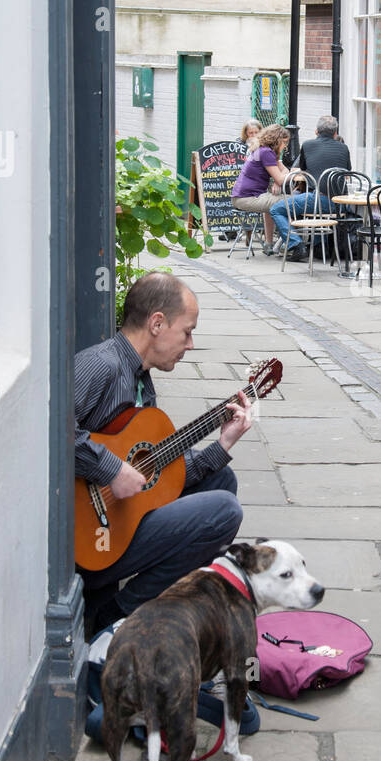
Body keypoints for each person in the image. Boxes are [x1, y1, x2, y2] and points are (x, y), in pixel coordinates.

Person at [75, 272, 253, 634]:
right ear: (157, 323)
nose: (190, 344)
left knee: (222, 479)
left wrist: (224, 444)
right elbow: (52, 427)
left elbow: (162, 476)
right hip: (87, 540)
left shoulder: (141, 379)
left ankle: (153, 607)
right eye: (187, 331)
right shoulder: (102, 365)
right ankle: (118, 614)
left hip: (121, 524)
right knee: (224, 512)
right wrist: (111, 470)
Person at [269, 114, 352, 263]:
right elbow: (347, 175)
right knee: (313, 208)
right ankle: (319, 248)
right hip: (341, 204)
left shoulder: (308, 145)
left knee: (276, 209)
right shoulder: (344, 148)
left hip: (319, 201)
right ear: (335, 133)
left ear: (316, 132)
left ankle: (296, 244)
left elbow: (304, 170)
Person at [231, 122, 290, 254]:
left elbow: (283, 171)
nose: (285, 146)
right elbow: (281, 177)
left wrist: (277, 181)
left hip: (241, 197)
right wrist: (289, 176)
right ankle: (289, 242)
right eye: (284, 143)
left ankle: (270, 244)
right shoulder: (266, 152)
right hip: (247, 198)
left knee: (274, 202)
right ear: (277, 140)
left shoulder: (262, 149)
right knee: (293, 201)